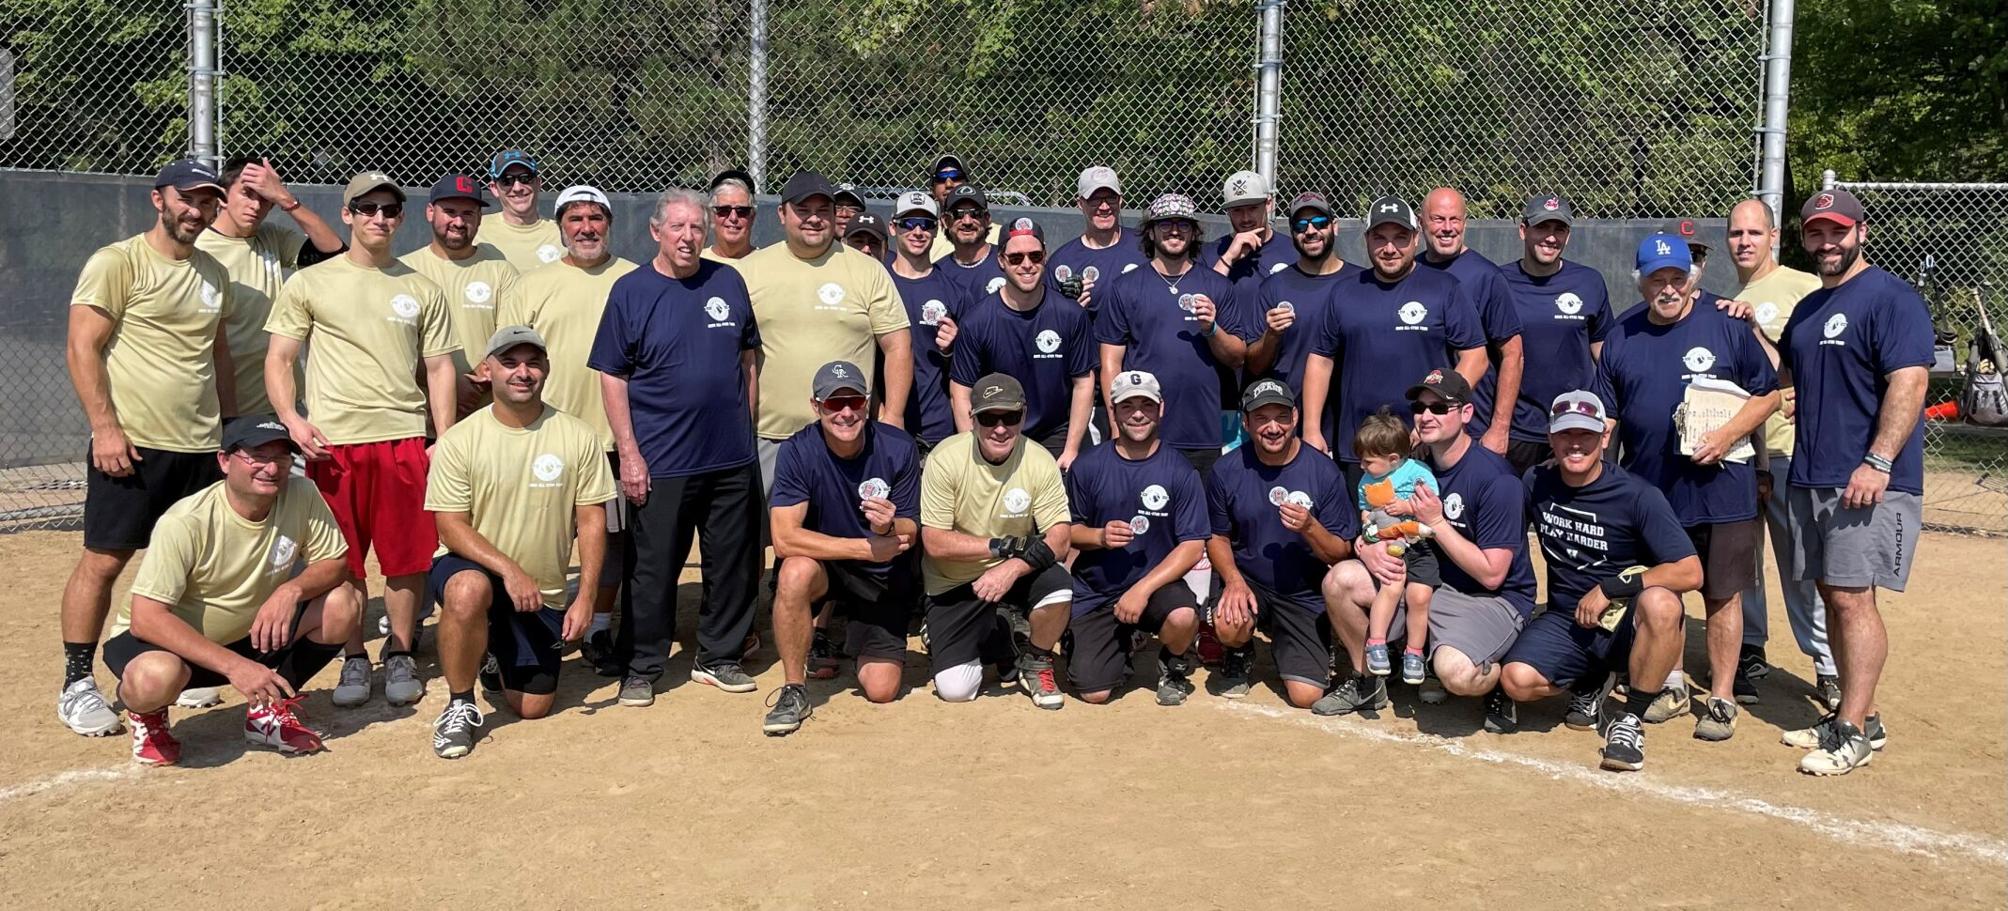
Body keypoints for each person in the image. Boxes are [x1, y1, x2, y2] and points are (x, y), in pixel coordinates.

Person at [265, 171, 461, 709]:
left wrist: (441, 436)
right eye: (367, 208)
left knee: (406, 559)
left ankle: (397, 653)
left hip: (401, 440)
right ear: (347, 214)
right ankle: (354, 657)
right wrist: (292, 419)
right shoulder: (310, 283)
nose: (380, 217)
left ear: (400, 218)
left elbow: (440, 366)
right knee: (342, 561)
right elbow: (280, 358)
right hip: (334, 444)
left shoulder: (421, 286)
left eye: (390, 209)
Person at [59, 159, 236, 737]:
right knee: (105, 559)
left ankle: (186, 666)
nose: (197, 210)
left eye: (208, 201)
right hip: (135, 444)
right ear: (158, 199)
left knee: (191, 565)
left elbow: (218, 356)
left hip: (202, 446)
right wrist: (106, 429)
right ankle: (78, 681)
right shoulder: (118, 261)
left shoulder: (214, 273)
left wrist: (230, 429)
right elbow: (83, 347)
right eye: (187, 198)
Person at [1597, 233, 1780, 742]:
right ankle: (1671, 685)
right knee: (1663, 589)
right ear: (1641, 282)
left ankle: (1720, 698)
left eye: (1678, 277)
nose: (1669, 288)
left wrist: (1725, 435)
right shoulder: (1622, 333)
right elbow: (1608, 414)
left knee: (1722, 596)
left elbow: (1769, 395)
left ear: (1691, 277)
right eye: (1657, 279)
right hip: (1653, 493)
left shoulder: (1726, 326)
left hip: (1723, 490)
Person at [1774, 188, 1931, 775]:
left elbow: (1910, 382)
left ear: (1860, 233)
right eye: (1815, 233)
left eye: (1836, 232)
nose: (1826, 243)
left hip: (1865, 479)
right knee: (1831, 596)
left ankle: (1852, 732)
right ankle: (1858, 713)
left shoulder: (1891, 297)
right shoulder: (1810, 308)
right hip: (1811, 474)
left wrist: (1880, 460)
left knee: (1851, 597)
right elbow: (1788, 366)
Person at [101, 416, 361, 765]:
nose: (271, 468)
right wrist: (237, 667)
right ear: (225, 461)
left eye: (282, 458)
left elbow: (334, 562)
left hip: (248, 633)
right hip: (168, 646)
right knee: (154, 679)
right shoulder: (186, 521)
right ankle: (148, 716)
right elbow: (145, 620)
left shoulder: (301, 493)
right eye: (256, 456)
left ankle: (267, 711)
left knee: (344, 602)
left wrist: (290, 591)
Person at [591, 188, 764, 705]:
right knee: (653, 566)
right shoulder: (631, 291)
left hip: (731, 456)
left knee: (731, 562)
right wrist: (630, 451)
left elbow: (748, 361)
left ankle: (718, 657)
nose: (689, 238)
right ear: (656, 231)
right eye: (678, 228)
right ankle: (643, 665)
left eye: (696, 227)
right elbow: (613, 376)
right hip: (662, 459)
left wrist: (746, 430)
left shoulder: (727, 281)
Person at [425, 327, 615, 758]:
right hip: (475, 573)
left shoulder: (578, 436)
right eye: (510, 363)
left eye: (533, 362)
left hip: (540, 593)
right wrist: (510, 571)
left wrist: (584, 597)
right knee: (469, 590)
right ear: (486, 370)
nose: (523, 372)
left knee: (532, 707)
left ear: (546, 369)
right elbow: (449, 527)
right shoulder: (460, 439)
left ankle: (491, 651)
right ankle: (459, 704)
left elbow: (591, 521)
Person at [1498, 390, 1702, 772]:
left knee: (1663, 603)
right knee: (1516, 680)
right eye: (1565, 435)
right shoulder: (1535, 481)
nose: (1576, 444)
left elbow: (1690, 571)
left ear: (1604, 437)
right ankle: (1590, 679)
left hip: (1625, 620)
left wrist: (1611, 587)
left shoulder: (1639, 495)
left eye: (1587, 435)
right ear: (1550, 437)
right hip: (1567, 618)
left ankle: (1631, 719)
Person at [1319, 370, 1536, 725]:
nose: (1426, 415)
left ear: (1466, 414)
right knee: (1339, 580)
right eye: (1420, 407)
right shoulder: (1408, 465)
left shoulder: (1496, 479)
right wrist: (1366, 545)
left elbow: (1493, 575)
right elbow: (1375, 517)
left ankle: (1499, 675)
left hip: (1487, 599)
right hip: (1426, 581)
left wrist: (1436, 522)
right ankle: (1367, 682)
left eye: (1439, 407)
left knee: (1455, 671)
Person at [497, 185, 640, 669]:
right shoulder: (531, 286)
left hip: (614, 438)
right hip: (546, 438)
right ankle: (530, 624)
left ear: (610, 224)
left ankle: (599, 626)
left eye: (596, 217)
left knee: (611, 541)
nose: (586, 227)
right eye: (575, 218)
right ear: (560, 227)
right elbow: (505, 364)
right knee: (538, 538)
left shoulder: (634, 280)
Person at [762, 361, 923, 734]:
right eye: (834, 404)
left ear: (867, 404)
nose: (846, 413)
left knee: (882, 689)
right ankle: (793, 688)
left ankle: (850, 635)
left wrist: (888, 524)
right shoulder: (797, 451)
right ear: (816, 407)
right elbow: (784, 538)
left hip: (882, 577)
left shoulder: (898, 447)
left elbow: (911, 529)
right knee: (794, 571)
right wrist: (865, 547)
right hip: (831, 564)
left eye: (854, 401)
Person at [1725, 197, 1835, 709]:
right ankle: (1750, 648)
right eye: (1735, 233)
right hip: (1745, 456)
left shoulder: (1804, 286)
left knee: (1802, 564)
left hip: (1792, 451)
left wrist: (1754, 331)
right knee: (1742, 560)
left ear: (1773, 237)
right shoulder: (1726, 297)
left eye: (1753, 232)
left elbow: (1810, 366)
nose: (1743, 242)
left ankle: (1828, 663)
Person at [1301, 195, 1487, 490]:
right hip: (1360, 450)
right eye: (1380, 238)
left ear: (1415, 239)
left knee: (1423, 533)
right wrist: (1311, 428)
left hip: (1425, 447)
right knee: (1365, 533)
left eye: (1400, 238)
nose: (1389, 248)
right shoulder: (1344, 292)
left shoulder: (1445, 289)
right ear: (1367, 240)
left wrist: (1433, 416)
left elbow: (1476, 357)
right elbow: (1320, 360)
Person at [741, 170, 912, 491]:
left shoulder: (868, 270)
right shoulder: (750, 271)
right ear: (781, 214)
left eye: (823, 211)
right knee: (767, 537)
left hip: (848, 436)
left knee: (846, 537)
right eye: (803, 210)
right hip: (768, 437)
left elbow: (898, 344)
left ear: (835, 216)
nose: (814, 219)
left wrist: (893, 419)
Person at [919, 374, 1073, 708]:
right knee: (956, 690)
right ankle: (996, 634)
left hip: (1011, 573)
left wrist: (1012, 567)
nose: (1000, 429)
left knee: (1060, 586)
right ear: (972, 419)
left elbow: (1060, 537)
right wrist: (1001, 546)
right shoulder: (945, 458)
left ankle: (1036, 661)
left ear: (1024, 415)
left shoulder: (1039, 459)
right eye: (989, 418)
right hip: (953, 581)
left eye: (1010, 417)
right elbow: (934, 542)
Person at [1203, 379, 1358, 707]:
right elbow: (1217, 535)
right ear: (1245, 422)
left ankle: (1307, 641)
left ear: (1296, 417)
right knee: (1229, 622)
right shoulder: (1226, 470)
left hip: (1303, 594)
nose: (1273, 427)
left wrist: (1310, 527)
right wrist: (1232, 581)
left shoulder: (1323, 471)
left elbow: (1341, 551)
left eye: (1281, 417)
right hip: (1250, 582)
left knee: (1306, 697)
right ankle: (1240, 651)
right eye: (1261, 418)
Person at [1065, 371, 1207, 705]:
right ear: (1112, 411)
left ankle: (1172, 664)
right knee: (1094, 693)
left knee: (1183, 616)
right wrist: (1098, 536)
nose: (1138, 413)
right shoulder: (1087, 466)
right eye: (1128, 406)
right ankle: (1121, 642)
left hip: (1156, 586)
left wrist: (1141, 590)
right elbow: (1067, 531)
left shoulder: (1180, 471)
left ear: (1161, 409)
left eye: (1146, 404)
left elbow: (1192, 546)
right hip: (1097, 589)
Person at [1097, 193, 1254, 476]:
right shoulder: (1125, 287)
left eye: (1183, 224)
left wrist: (1212, 329)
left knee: (1203, 516)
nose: (1174, 231)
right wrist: (1115, 423)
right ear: (1151, 232)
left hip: (1205, 430)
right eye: (1165, 224)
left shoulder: (1216, 286)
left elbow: (1237, 357)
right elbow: (1111, 362)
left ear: (1194, 232)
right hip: (1141, 427)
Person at [198, 154, 344, 418]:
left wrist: (286, 199)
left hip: (282, 404)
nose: (255, 205)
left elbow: (335, 257)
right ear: (222, 197)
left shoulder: (272, 237)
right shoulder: (197, 248)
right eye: (247, 194)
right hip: (222, 408)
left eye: (265, 198)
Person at [948, 217, 1094, 466]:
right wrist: (974, 448)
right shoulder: (977, 321)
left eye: (1035, 256)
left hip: (1056, 432)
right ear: (1001, 261)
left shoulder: (1071, 314)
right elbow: (960, 391)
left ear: (1045, 256)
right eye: (1016, 258)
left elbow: (1083, 383)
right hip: (999, 431)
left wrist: (1071, 449)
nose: (1027, 265)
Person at [1497, 194, 1616, 473]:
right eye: (1542, 228)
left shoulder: (1589, 281)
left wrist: (1612, 412)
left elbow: (1604, 354)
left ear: (1568, 235)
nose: (1551, 238)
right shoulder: (1498, 282)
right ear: (1523, 230)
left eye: (1559, 229)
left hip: (1576, 424)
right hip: (1518, 428)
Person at [398, 174, 521, 419]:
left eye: (468, 213)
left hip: (486, 412)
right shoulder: (405, 271)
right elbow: (398, 346)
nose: (458, 221)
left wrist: (473, 384)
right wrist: (445, 388)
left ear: (479, 219)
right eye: (450, 211)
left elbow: (510, 338)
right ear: (430, 212)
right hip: (422, 414)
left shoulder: (499, 269)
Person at [1417, 187, 1527, 460]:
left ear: (1465, 223)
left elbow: (1513, 354)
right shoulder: (1411, 271)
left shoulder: (1486, 276)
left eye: (1454, 220)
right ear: (1421, 223)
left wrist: (1500, 428)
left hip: (1470, 429)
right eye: (1438, 219)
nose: (1447, 228)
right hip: (1418, 424)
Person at [1244, 191, 1359, 426]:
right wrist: (1271, 336)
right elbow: (1254, 365)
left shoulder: (1361, 282)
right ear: (1292, 232)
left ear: (1334, 226)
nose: (1310, 231)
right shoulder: (1273, 288)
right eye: (1301, 225)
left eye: (1319, 223)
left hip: (1350, 421)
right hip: (1290, 420)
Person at [1353, 409, 1438, 685]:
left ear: (1392, 459)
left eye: (1368, 462)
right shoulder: (1366, 482)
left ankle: (1414, 653)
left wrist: (1407, 506)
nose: (1362, 467)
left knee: (1420, 597)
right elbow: (1366, 512)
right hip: (1389, 545)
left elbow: (1432, 507)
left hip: (1419, 546)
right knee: (1391, 587)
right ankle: (1376, 643)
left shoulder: (1418, 473)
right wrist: (1368, 530)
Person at [887, 191, 962, 451]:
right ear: (892, 227)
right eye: (909, 222)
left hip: (936, 427)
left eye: (927, 223)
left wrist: (953, 349)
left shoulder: (953, 290)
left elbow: (968, 368)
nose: (918, 231)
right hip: (881, 422)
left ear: (937, 229)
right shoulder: (877, 283)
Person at [1046, 166, 1148, 318]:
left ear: (1120, 201)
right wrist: (1070, 310)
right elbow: (1050, 320)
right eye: (1094, 200)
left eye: (1111, 198)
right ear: (1080, 203)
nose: (1104, 207)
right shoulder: (1063, 261)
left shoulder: (1147, 246)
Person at [1203, 169, 1296, 295]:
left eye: (1253, 208)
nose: (1245, 218)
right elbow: (1201, 301)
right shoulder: (1212, 253)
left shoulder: (1292, 250)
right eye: (1237, 210)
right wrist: (1228, 258)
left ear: (1269, 204)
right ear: (1228, 212)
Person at [482, 149, 565, 270]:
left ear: (538, 183)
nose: (517, 188)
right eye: (507, 181)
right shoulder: (476, 231)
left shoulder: (562, 234)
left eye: (525, 178)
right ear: (494, 188)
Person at [934, 184, 1003, 308]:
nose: (967, 222)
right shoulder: (938, 272)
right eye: (958, 214)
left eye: (975, 214)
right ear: (946, 221)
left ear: (987, 219)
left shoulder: (1008, 262)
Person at [924, 154, 998, 259]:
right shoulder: (925, 235)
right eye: (941, 178)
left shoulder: (997, 235)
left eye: (956, 176)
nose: (949, 184)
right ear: (933, 190)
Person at [703, 169, 758, 262]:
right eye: (724, 210)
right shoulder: (696, 263)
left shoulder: (766, 264)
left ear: (752, 217)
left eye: (742, 211)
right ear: (711, 216)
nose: (733, 218)